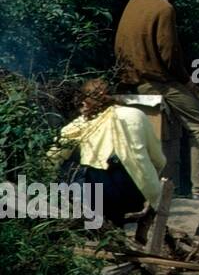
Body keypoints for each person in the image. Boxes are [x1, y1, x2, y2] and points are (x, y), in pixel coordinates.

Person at [114, 0, 199, 199]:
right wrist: (186, 80)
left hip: (131, 80)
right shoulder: (164, 9)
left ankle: (170, 187)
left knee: (171, 131)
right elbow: (169, 54)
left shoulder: (134, 2)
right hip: (157, 82)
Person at [50, 79, 167, 226]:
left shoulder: (81, 124)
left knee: (80, 172)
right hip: (139, 196)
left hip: (102, 197)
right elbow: (159, 160)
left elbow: (54, 157)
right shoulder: (137, 115)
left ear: (85, 102)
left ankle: (93, 223)